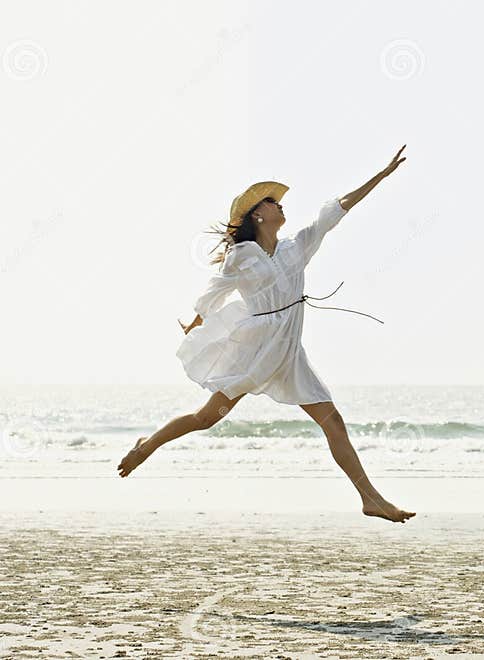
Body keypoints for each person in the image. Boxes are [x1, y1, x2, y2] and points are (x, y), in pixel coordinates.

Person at [117, 146, 415, 524]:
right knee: (208, 418)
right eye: (273, 202)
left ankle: (370, 499)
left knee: (332, 421)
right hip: (256, 350)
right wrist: (197, 321)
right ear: (258, 213)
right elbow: (216, 289)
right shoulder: (242, 255)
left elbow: (335, 211)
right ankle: (148, 446)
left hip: (289, 351)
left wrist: (381, 176)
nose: (280, 206)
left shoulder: (296, 248)